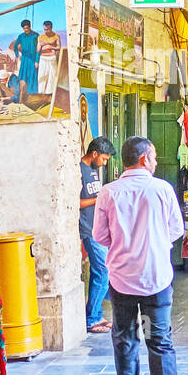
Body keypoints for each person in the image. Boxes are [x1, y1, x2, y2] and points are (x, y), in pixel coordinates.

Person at [93, 135, 185, 375]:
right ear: (144, 158)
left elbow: (100, 237)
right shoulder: (162, 190)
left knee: (126, 339)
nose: (157, 161)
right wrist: (154, 244)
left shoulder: (108, 193)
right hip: (156, 279)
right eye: (155, 156)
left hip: (122, 281)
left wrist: (125, 243)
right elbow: (176, 230)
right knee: (159, 341)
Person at [79, 136, 116, 334]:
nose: (104, 163)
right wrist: (97, 199)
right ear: (94, 154)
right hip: (87, 228)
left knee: (100, 271)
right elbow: (77, 202)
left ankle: (96, 314)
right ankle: (92, 318)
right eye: (104, 159)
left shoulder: (93, 171)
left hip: (97, 227)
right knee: (103, 271)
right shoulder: (80, 171)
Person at [12, 19, 39, 100]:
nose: (26, 30)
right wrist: (17, 55)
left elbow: (38, 50)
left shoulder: (36, 36)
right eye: (24, 28)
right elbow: (15, 46)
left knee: (32, 76)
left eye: (27, 28)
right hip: (24, 59)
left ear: (30, 27)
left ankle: (32, 94)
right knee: (23, 76)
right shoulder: (21, 36)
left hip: (33, 59)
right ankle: (23, 94)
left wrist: (37, 61)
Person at [37, 19, 62, 95]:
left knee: (52, 75)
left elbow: (59, 47)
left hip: (52, 58)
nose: (46, 31)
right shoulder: (41, 37)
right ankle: (41, 92)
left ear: (51, 28)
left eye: (47, 29)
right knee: (42, 75)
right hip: (43, 58)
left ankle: (50, 93)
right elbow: (38, 50)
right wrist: (40, 46)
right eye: (45, 29)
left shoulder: (56, 36)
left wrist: (50, 47)